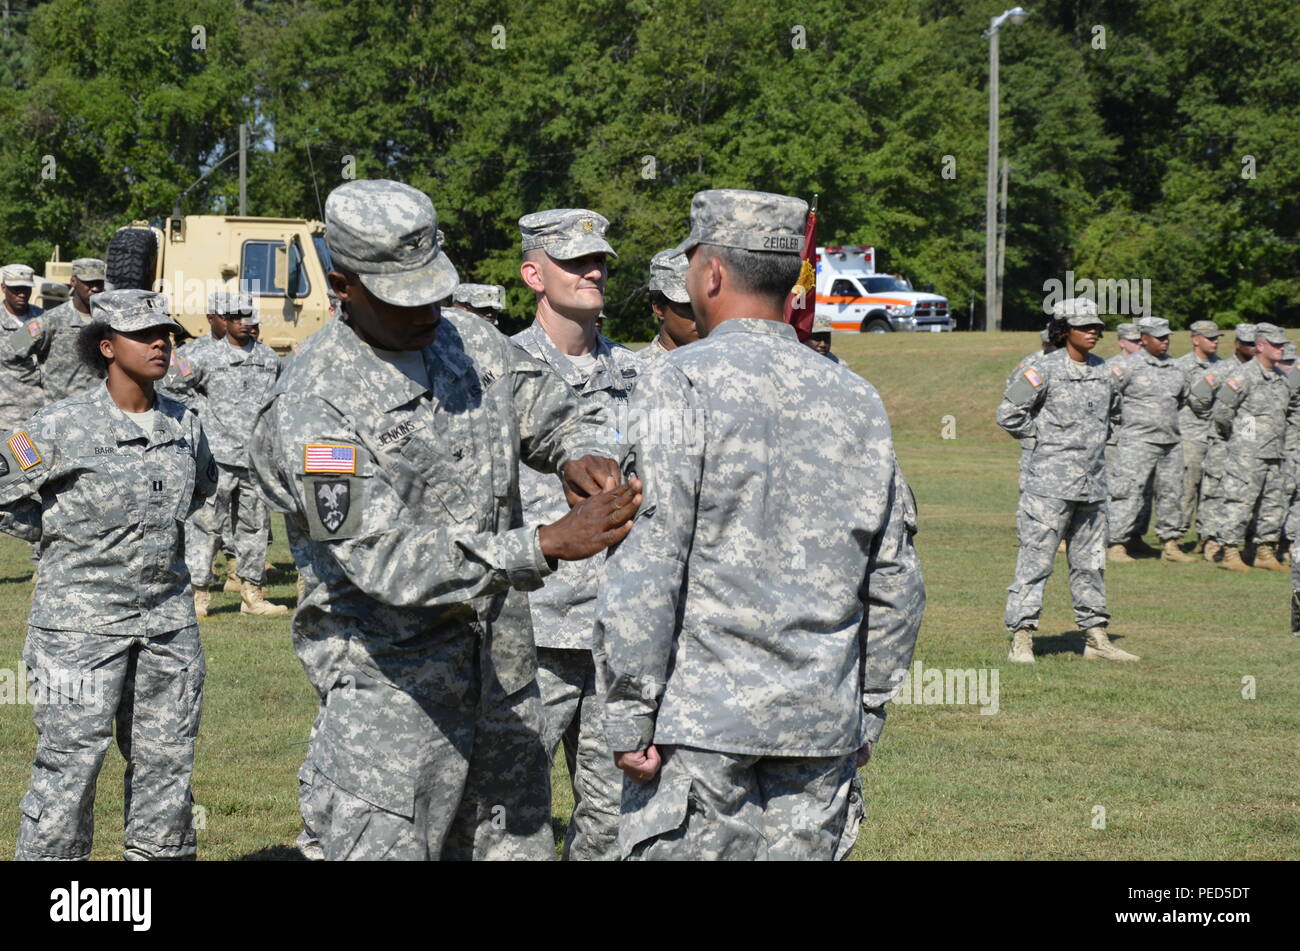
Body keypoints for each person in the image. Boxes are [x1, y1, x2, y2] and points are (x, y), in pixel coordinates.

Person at [248, 178, 641, 861]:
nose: (427, 304)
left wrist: (578, 451)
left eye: (434, 283)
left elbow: (542, 403)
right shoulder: (316, 403)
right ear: (343, 285)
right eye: (404, 293)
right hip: (392, 711)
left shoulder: (467, 341)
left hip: (503, 687)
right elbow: (381, 558)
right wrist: (543, 544)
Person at [594, 188, 924, 860]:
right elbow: (895, 577)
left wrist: (629, 712)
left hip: (700, 732)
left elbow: (649, 564)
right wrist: (869, 706)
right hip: (819, 727)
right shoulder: (856, 397)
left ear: (710, 273)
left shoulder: (677, 381)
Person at [0, 288, 217, 860]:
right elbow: (5, 491)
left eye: (165, 335)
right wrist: (60, 534)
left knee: (167, 765)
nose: (160, 345)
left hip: (168, 625)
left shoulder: (185, 425)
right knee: (70, 766)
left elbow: (200, 488)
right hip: (80, 627)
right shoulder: (57, 425)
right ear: (106, 346)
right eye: (144, 335)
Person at [510, 207, 638, 861]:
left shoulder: (642, 377)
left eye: (600, 262)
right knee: (510, 818)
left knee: (614, 822)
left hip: (619, 636)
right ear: (534, 273)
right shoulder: (497, 374)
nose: (593, 271)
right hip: (530, 634)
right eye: (574, 262)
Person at [998, 297, 1136, 663]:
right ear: (1064, 331)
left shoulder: (1105, 371)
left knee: (1091, 562)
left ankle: (1095, 637)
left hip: (1091, 486)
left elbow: (1116, 416)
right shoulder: (1042, 370)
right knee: (1036, 561)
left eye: (1097, 327)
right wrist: (1042, 441)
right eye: (1085, 327)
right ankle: (1022, 637)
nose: (1094, 332)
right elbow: (1009, 414)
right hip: (1048, 485)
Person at [163, 293, 287, 616]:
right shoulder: (202, 356)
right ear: (227, 321)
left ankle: (251, 594)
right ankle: (198, 595)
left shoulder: (269, 358)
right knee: (205, 525)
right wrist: (197, 411)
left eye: (251, 319)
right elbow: (166, 384)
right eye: (239, 319)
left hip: (254, 457)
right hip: (215, 456)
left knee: (254, 527)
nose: (246, 325)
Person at [1105, 317, 1194, 563]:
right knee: (1128, 492)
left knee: (1171, 492)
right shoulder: (1127, 366)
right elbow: (1108, 397)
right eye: (1159, 337)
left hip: (1170, 441)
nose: (1164, 342)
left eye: (1167, 337)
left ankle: (1170, 544)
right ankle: (1116, 544)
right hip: (1137, 440)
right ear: (1144, 339)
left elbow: (1183, 399)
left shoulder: (1176, 368)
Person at [1210, 322, 1291, 572]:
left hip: (1275, 452)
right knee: (1239, 501)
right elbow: (1222, 412)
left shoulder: (1281, 379)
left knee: (1273, 503)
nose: (1281, 348)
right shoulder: (1243, 375)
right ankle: (1230, 552)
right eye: (1276, 344)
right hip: (1247, 454)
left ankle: (1265, 552)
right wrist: (1244, 437)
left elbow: (1290, 410)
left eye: (1282, 344)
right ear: (1260, 346)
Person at [1189, 324, 1256, 562]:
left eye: (1256, 343)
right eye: (1248, 343)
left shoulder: (1260, 371)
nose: (1253, 347)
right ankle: (1210, 539)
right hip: (1223, 440)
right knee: (1215, 488)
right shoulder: (1224, 368)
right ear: (1238, 344)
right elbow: (1197, 396)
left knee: (1245, 491)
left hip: (1249, 443)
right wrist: (1219, 423)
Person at [8, 258, 105, 405]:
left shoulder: (108, 320)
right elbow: (13, 346)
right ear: (73, 281)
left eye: (99, 283)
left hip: (99, 409)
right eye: (89, 283)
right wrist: (36, 383)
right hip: (61, 409)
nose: (95, 288)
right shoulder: (51, 318)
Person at [1173, 320, 1222, 553]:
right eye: (1210, 337)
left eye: (1216, 337)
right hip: (1189, 435)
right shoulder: (1180, 367)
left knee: (1213, 487)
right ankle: (1178, 535)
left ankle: (1208, 537)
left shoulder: (1223, 366)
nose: (1215, 341)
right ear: (1195, 340)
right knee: (1186, 487)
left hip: (1215, 435)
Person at [0, 264, 47, 433]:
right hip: (5, 412)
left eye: (26, 289)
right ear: (3, 288)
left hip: (38, 411)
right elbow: (10, 350)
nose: (22, 294)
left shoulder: (42, 316)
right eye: (16, 289)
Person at [638, 248, 698, 366]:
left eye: (702, 306)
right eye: (689, 307)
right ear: (659, 309)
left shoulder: (724, 364)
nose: (700, 316)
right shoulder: (637, 370)